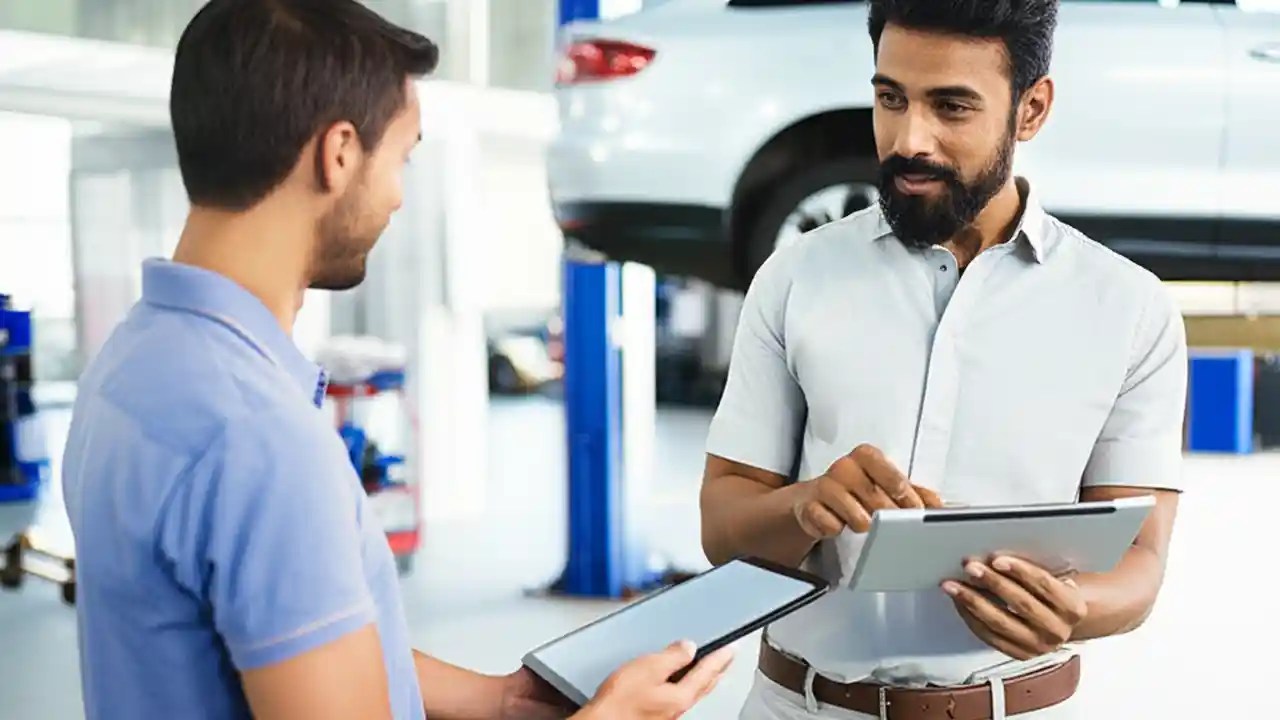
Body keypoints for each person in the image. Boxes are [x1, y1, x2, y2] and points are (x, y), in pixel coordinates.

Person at [59, 1, 732, 719]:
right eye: (402, 157)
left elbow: (287, 641)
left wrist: (500, 700)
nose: (399, 197)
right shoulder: (260, 436)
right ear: (339, 152)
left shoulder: (130, 364)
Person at [698, 0, 1185, 718]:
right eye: (890, 98)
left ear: (1032, 109)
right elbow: (721, 525)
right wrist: (804, 506)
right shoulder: (796, 277)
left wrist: (1069, 607)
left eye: (950, 107)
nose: (908, 139)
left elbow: (1141, 563)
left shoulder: (1129, 310)